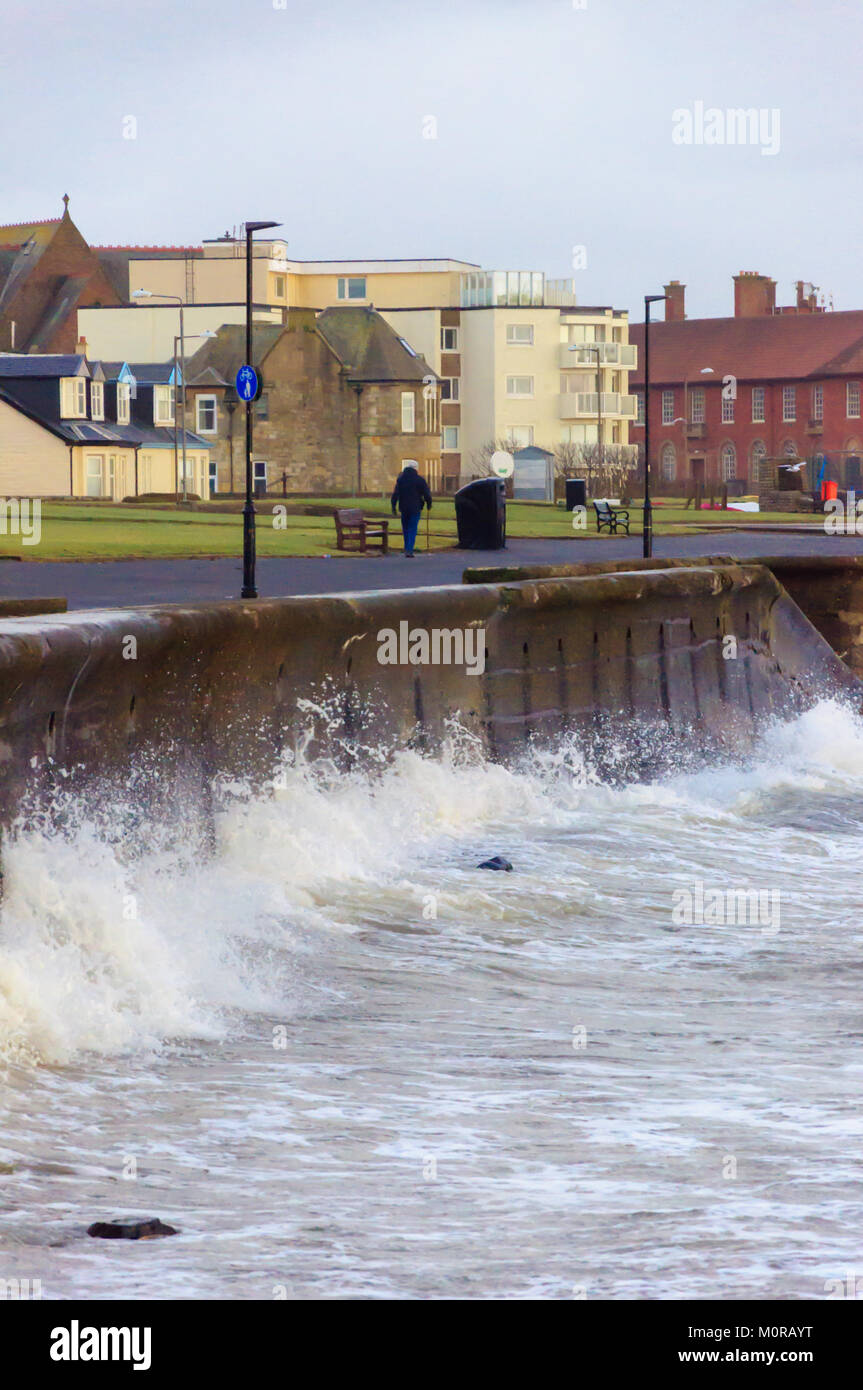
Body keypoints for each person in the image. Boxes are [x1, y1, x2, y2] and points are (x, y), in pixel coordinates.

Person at [391, 460, 432, 557]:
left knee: (405, 528)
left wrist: (393, 506)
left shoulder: (401, 479)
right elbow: (426, 494)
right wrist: (429, 504)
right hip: (415, 508)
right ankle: (409, 549)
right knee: (412, 528)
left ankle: (407, 548)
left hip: (403, 507)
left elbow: (395, 494)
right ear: (416, 469)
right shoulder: (420, 480)